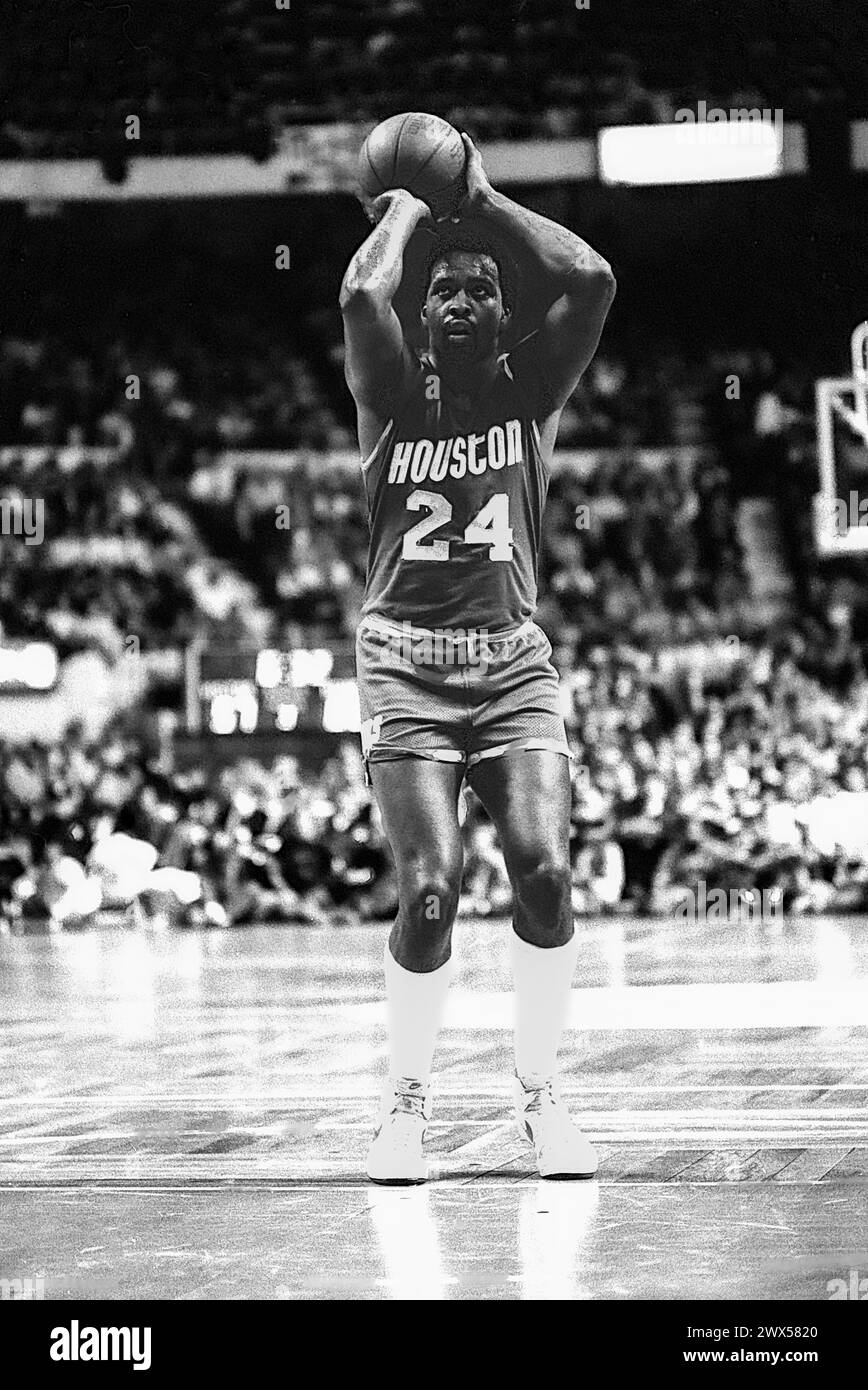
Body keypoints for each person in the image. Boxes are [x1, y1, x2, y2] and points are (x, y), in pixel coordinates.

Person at [340, 132, 615, 1182]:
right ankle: (405, 1103)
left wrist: (482, 198)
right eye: (442, 292)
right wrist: (411, 202)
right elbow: (364, 298)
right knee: (432, 890)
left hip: (508, 661)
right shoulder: (387, 387)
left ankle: (541, 1096)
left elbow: (587, 278)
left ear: (505, 319)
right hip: (403, 661)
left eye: (478, 291)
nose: (456, 300)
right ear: (426, 316)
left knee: (542, 872)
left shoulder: (527, 390)